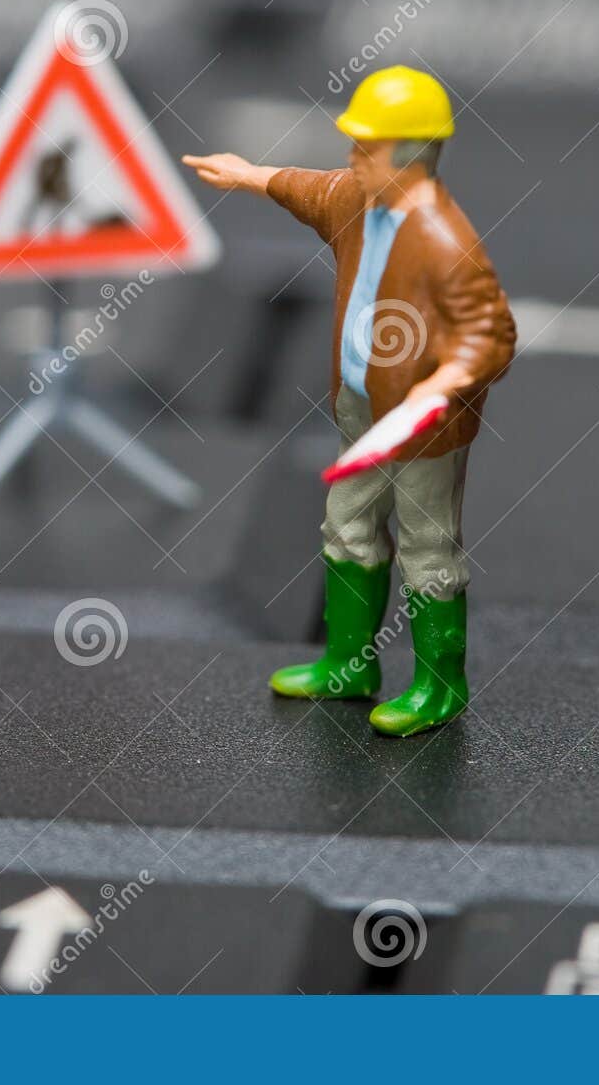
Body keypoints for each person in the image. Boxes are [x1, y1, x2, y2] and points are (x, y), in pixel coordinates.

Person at [183, 66, 515, 736]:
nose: (352, 158)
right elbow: (307, 188)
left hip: (423, 428)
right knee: (348, 525)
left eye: (367, 147)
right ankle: (349, 664)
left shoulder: (446, 241)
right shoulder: (357, 203)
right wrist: (248, 174)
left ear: (411, 155)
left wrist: (443, 383)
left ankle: (440, 684)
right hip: (362, 408)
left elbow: (493, 335)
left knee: (429, 548)